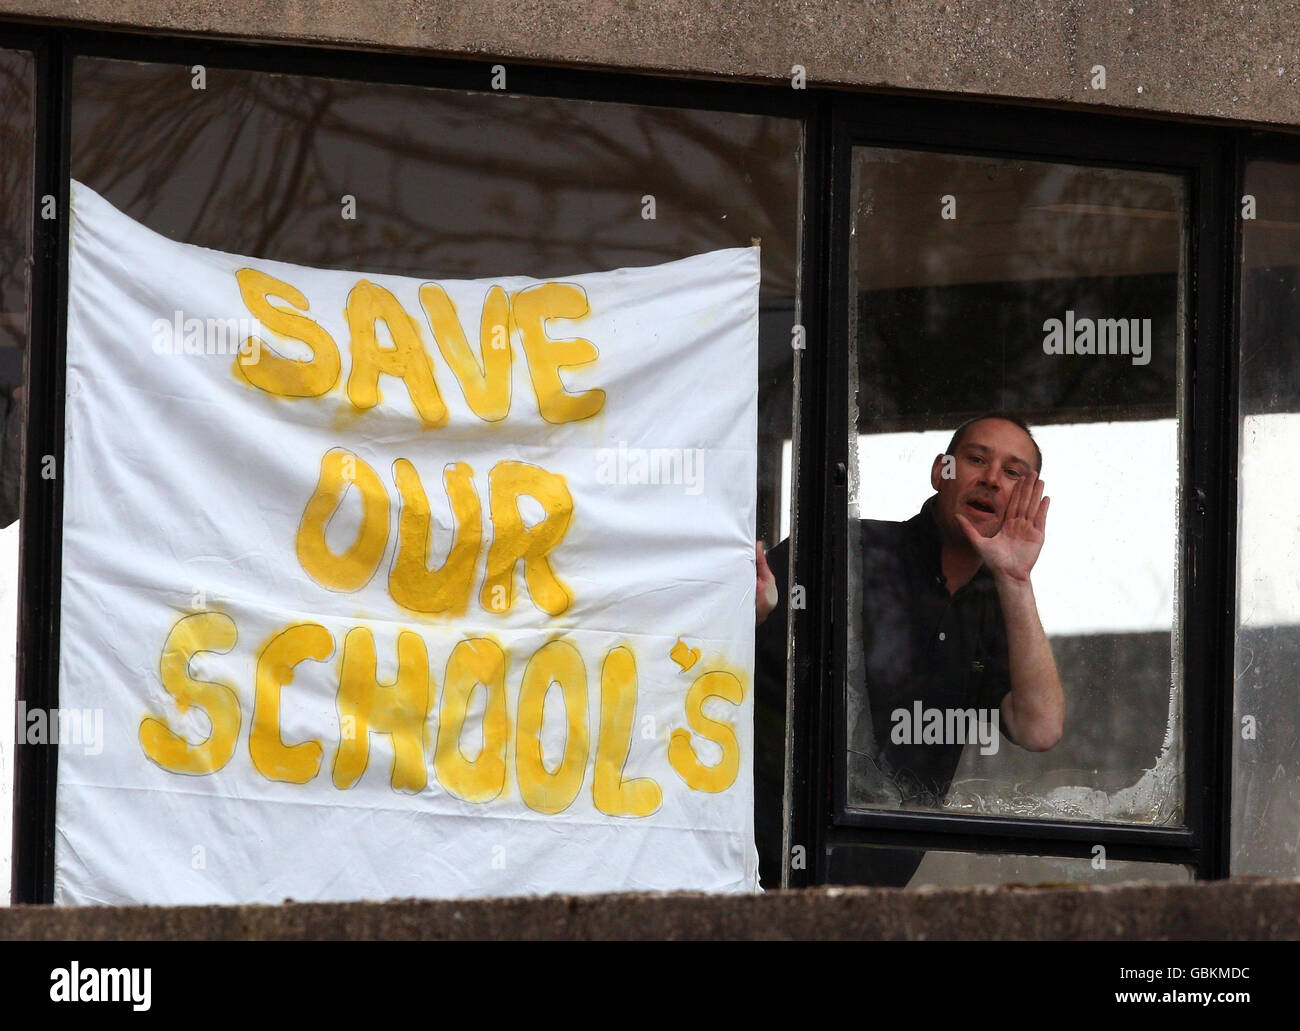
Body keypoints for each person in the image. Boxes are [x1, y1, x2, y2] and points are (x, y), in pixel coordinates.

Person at [753, 413, 1064, 887]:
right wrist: (746, 617)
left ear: (1027, 495)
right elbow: (726, 655)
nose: (991, 479)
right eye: (977, 459)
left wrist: (1016, 578)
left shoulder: (999, 603)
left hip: (872, 898)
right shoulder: (845, 549)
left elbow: (1040, 728)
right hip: (755, 873)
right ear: (942, 472)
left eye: (1012, 472)